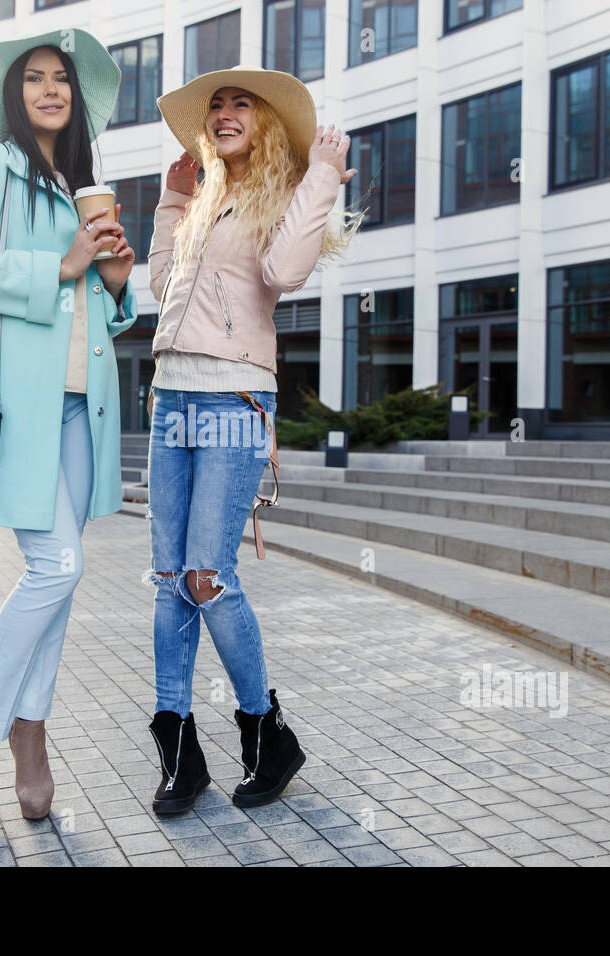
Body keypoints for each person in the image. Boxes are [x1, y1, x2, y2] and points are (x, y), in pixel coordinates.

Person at [0, 29, 137, 826]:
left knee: (66, 576)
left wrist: (115, 281)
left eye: (63, 81)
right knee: (57, 564)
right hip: (20, 405)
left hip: (84, 405)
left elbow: (101, 312)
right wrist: (58, 264)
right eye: (36, 79)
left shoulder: (83, 181)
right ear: (15, 95)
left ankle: (31, 737)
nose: (52, 90)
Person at [142, 65, 360, 813]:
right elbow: (159, 285)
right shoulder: (206, 199)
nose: (225, 112)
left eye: (242, 103)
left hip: (233, 401)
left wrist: (324, 175)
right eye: (218, 105)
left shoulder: (281, 195)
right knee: (171, 581)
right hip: (170, 399)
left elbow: (285, 271)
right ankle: (179, 756)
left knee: (209, 577)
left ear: (266, 122)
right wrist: (174, 199)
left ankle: (267, 734)